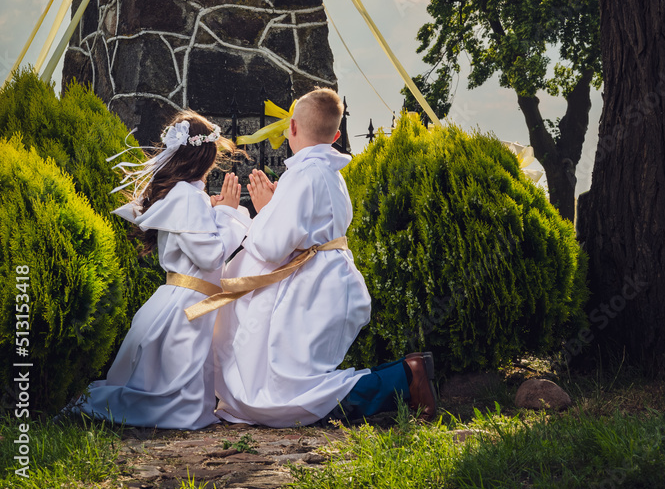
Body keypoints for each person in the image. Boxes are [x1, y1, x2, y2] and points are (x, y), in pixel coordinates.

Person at [209, 88, 437, 427]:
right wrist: (275, 209)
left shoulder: (302, 175)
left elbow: (273, 246)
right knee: (293, 388)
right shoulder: (331, 173)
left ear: (293, 128)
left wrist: (263, 211)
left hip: (313, 289)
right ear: (336, 135)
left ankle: (406, 378)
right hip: (330, 278)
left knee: (289, 396)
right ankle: (406, 375)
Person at [72, 110, 250, 429]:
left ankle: (96, 402)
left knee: (186, 401)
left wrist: (217, 210)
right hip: (186, 308)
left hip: (185, 302)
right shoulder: (188, 197)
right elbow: (209, 256)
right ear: (206, 155)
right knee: (184, 409)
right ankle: (92, 404)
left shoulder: (187, 194)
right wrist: (227, 214)